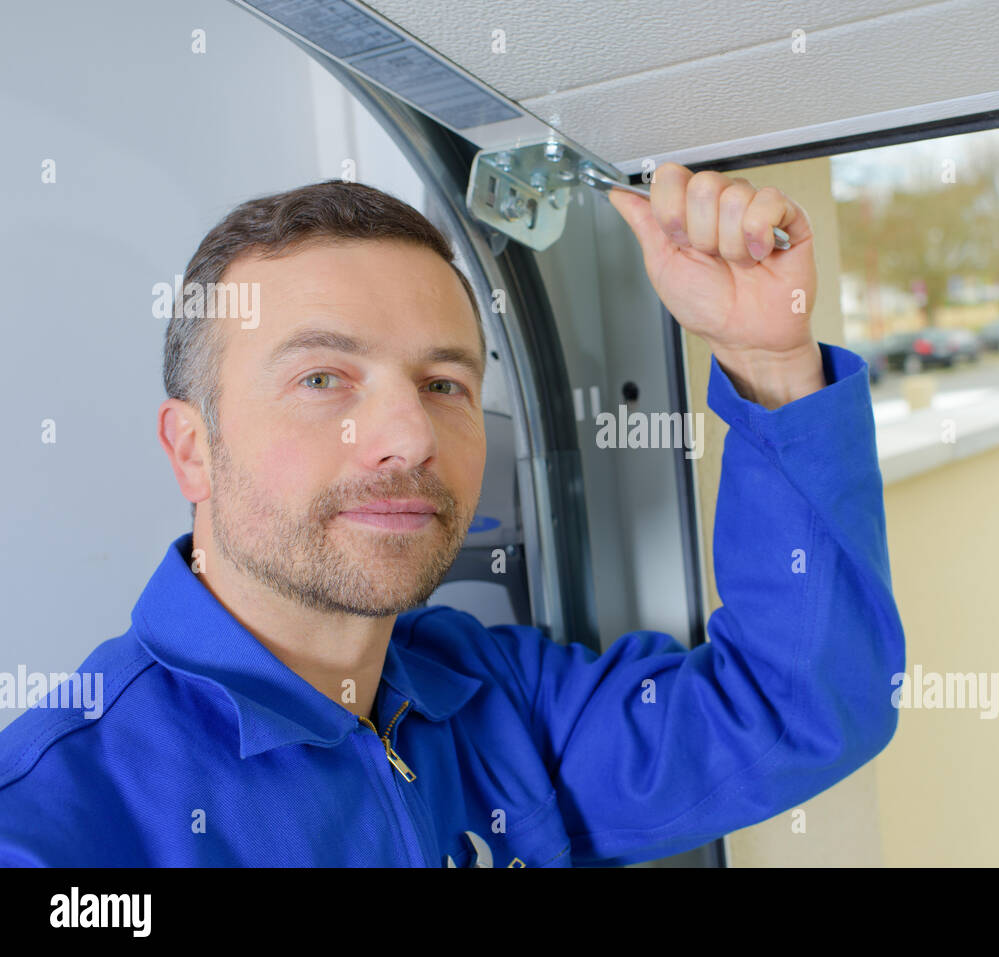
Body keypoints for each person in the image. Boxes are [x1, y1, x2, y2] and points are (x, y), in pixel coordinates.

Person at [0, 166, 905, 866]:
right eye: (322, 379)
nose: (407, 435)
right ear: (191, 447)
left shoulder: (485, 695)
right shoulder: (53, 826)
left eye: (444, 384)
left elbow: (801, 705)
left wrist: (766, 358)